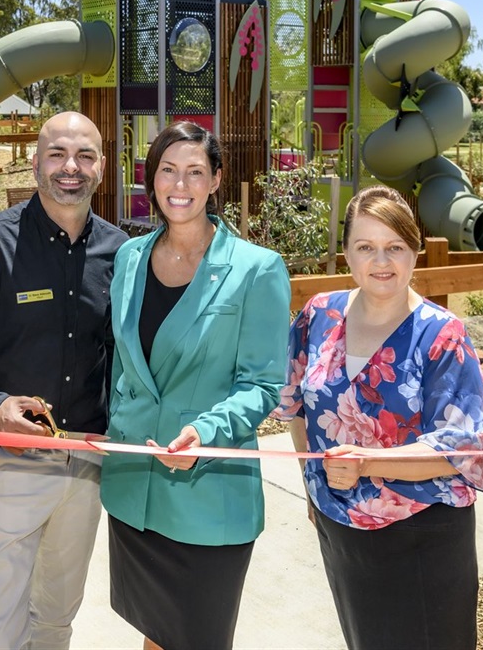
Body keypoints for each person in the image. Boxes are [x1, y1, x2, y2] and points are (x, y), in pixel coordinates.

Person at [272, 185, 483, 650]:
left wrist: (366, 463)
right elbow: (296, 406)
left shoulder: (442, 334)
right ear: (345, 253)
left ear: (415, 252)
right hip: (339, 524)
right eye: (366, 247)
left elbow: (462, 449)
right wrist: (311, 482)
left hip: (424, 531)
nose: (381, 261)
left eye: (395, 247)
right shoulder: (317, 315)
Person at [0, 111, 127, 649]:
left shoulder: (121, 253)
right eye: (57, 154)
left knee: (55, 623)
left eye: (85, 155)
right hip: (3, 462)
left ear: (102, 167)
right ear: (36, 161)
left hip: (84, 462)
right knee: (0, 630)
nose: (70, 168)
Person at [99, 121, 291, 650]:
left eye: (194, 172)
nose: (179, 184)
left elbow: (262, 384)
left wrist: (204, 433)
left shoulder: (258, 269)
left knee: (197, 638)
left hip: (209, 498)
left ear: (216, 180)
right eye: (167, 170)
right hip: (133, 488)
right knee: (155, 635)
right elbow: (123, 363)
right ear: (150, 178)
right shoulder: (129, 258)